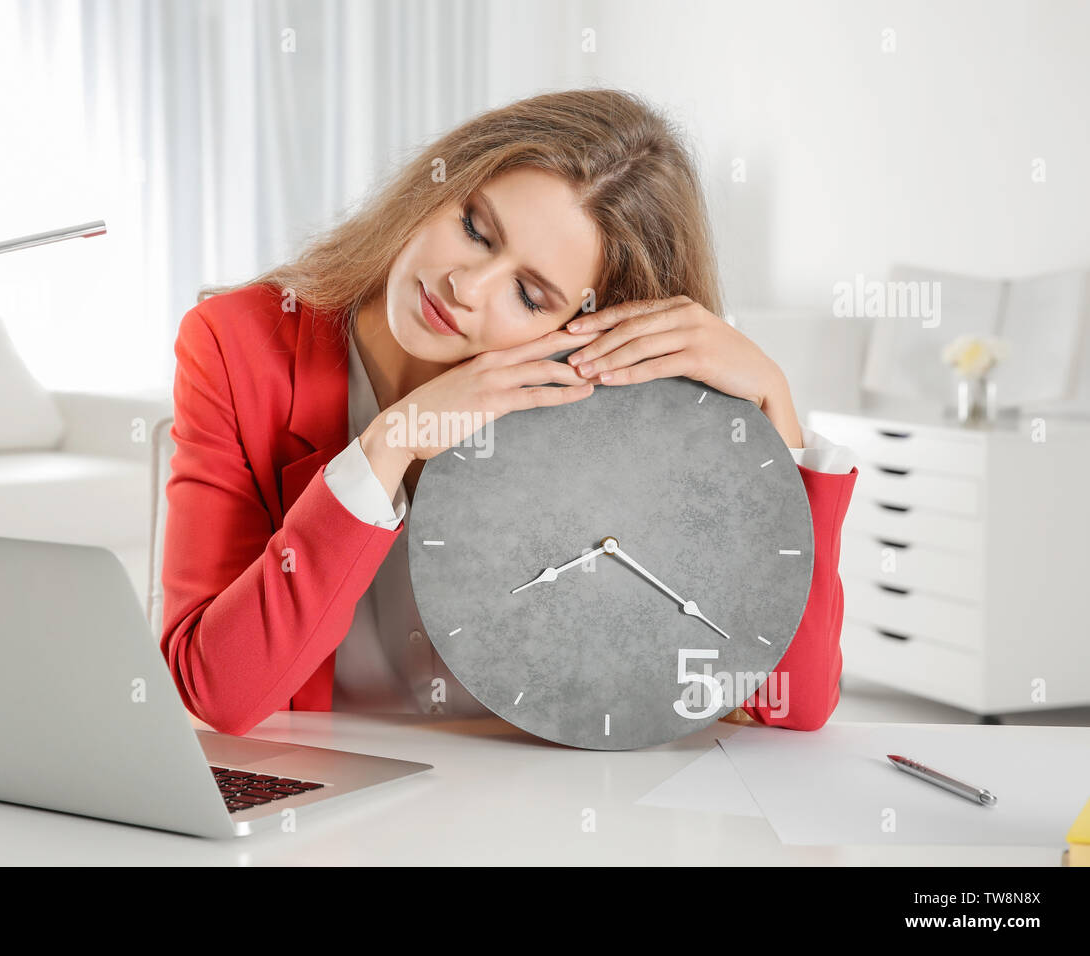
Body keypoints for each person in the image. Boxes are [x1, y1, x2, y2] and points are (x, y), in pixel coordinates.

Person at [159, 88, 859, 738]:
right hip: (330, 807)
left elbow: (791, 704)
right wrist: (390, 443)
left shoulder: (597, 414)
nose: (464, 286)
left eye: (528, 295)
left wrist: (776, 417)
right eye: (474, 227)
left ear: (593, 326)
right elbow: (218, 689)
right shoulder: (235, 345)